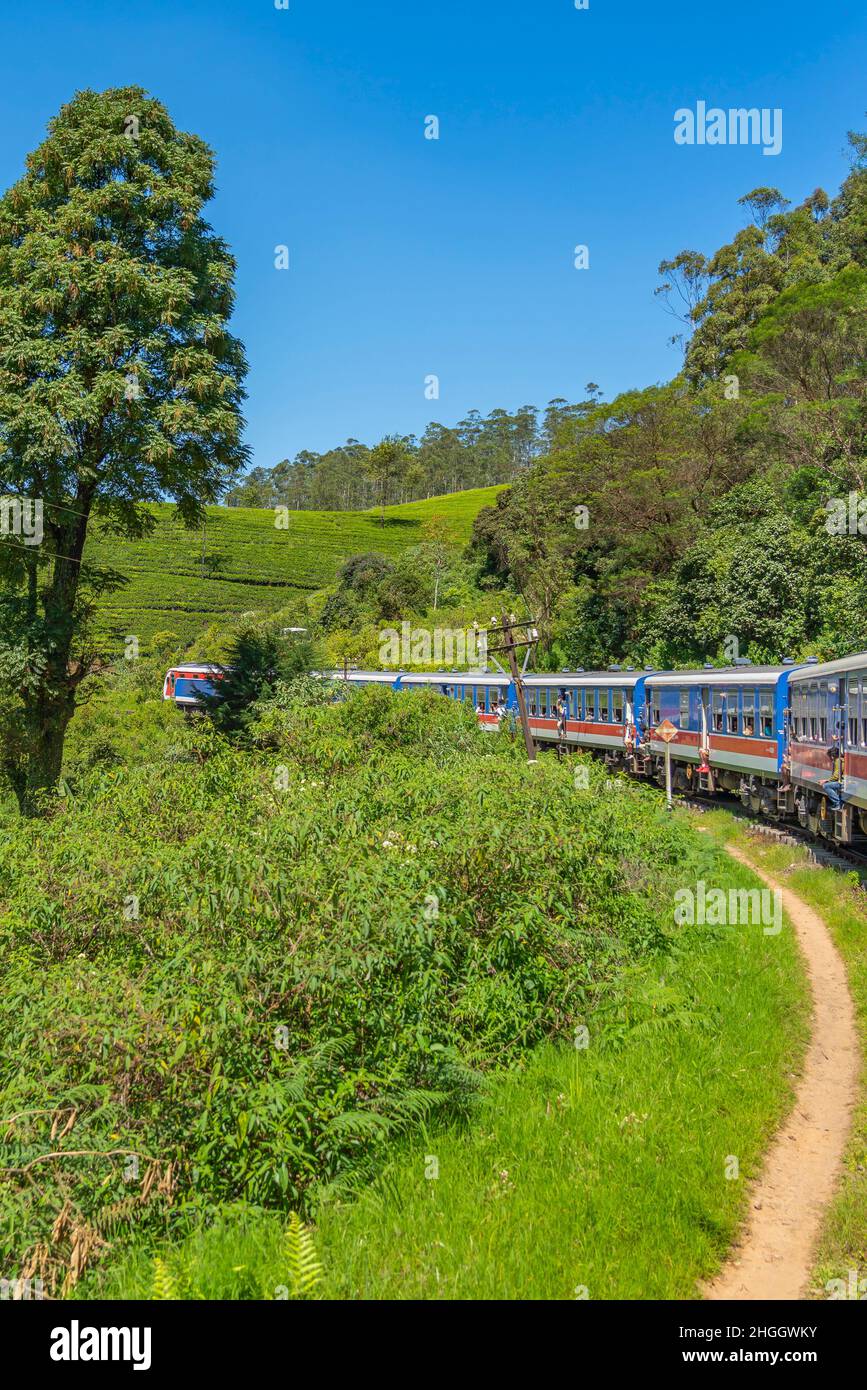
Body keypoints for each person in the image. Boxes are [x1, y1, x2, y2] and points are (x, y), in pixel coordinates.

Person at [821, 738, 844, 810]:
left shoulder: (838, 761)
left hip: (842, 782)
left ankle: (837, 803)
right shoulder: (840, 760)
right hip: (843, 781)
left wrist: (827, 781)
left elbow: (836, 775)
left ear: (832, 756)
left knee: (826, 786)